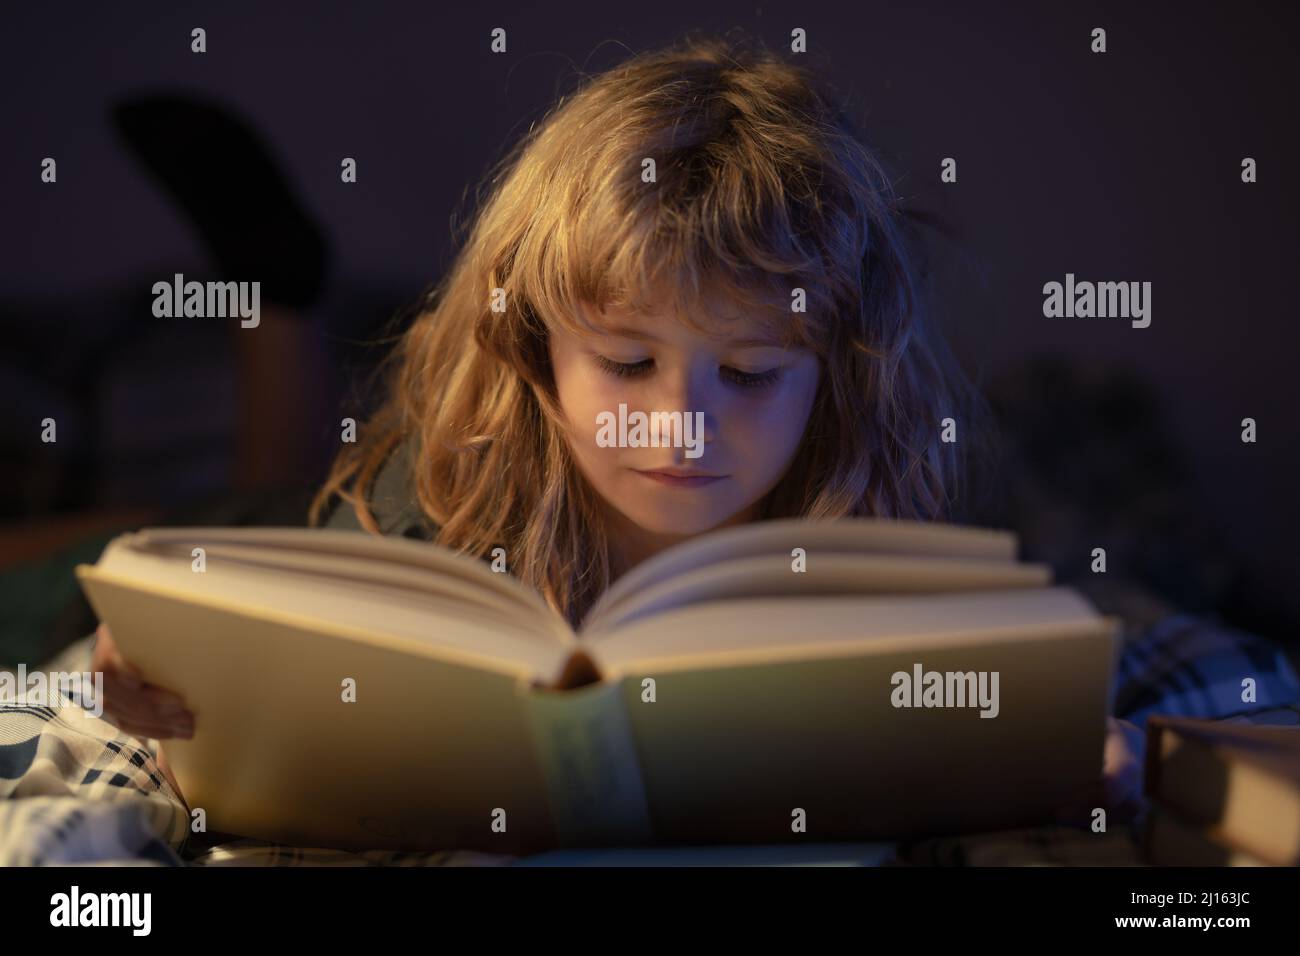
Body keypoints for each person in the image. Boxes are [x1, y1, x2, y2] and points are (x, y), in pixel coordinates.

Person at [87, 36, 1259, 828]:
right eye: (628, 358)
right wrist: (176, 681)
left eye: (751, 371)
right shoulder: (436, 494)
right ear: (537, 341)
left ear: (834, 378)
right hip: (345, 507)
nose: (681, 421)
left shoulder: (872, 500)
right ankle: (275, 298)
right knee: (171, 526)